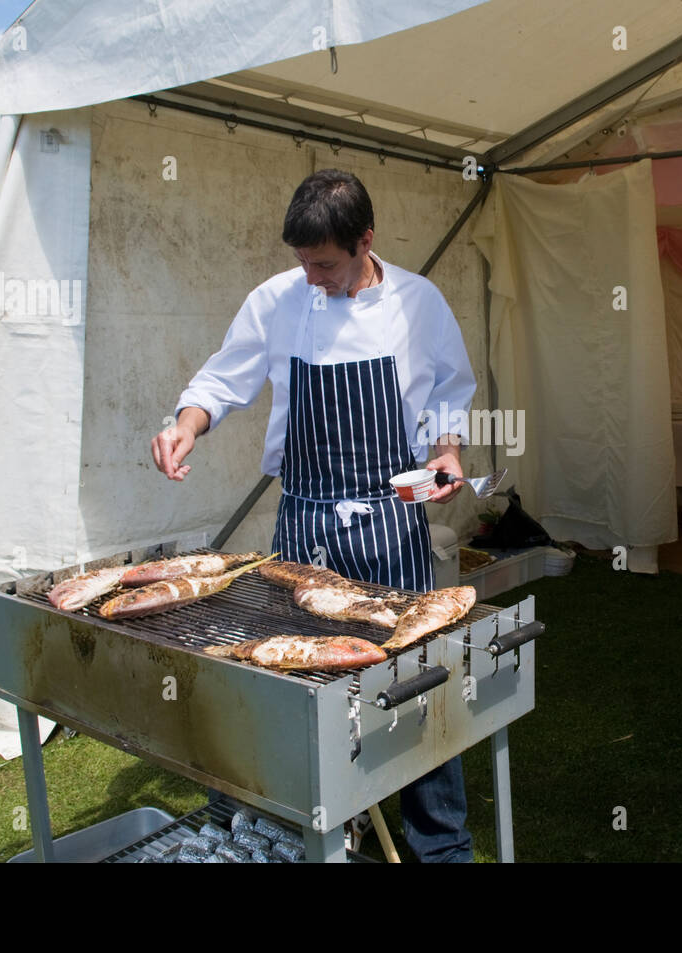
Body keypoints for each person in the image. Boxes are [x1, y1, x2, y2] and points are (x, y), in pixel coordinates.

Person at [151, 169, 476, 862]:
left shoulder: (418, 302)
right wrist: (187, 424)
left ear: (365, 241)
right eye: (302, 261)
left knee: (414, 676)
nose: (312, 276)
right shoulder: (277, 298)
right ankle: (300, 828)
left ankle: (439, 842)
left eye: (324, 263)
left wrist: (446, 449)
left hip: (390, 522)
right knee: (294, 684)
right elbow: (223, 377)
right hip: (303, 524)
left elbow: (451, 386)